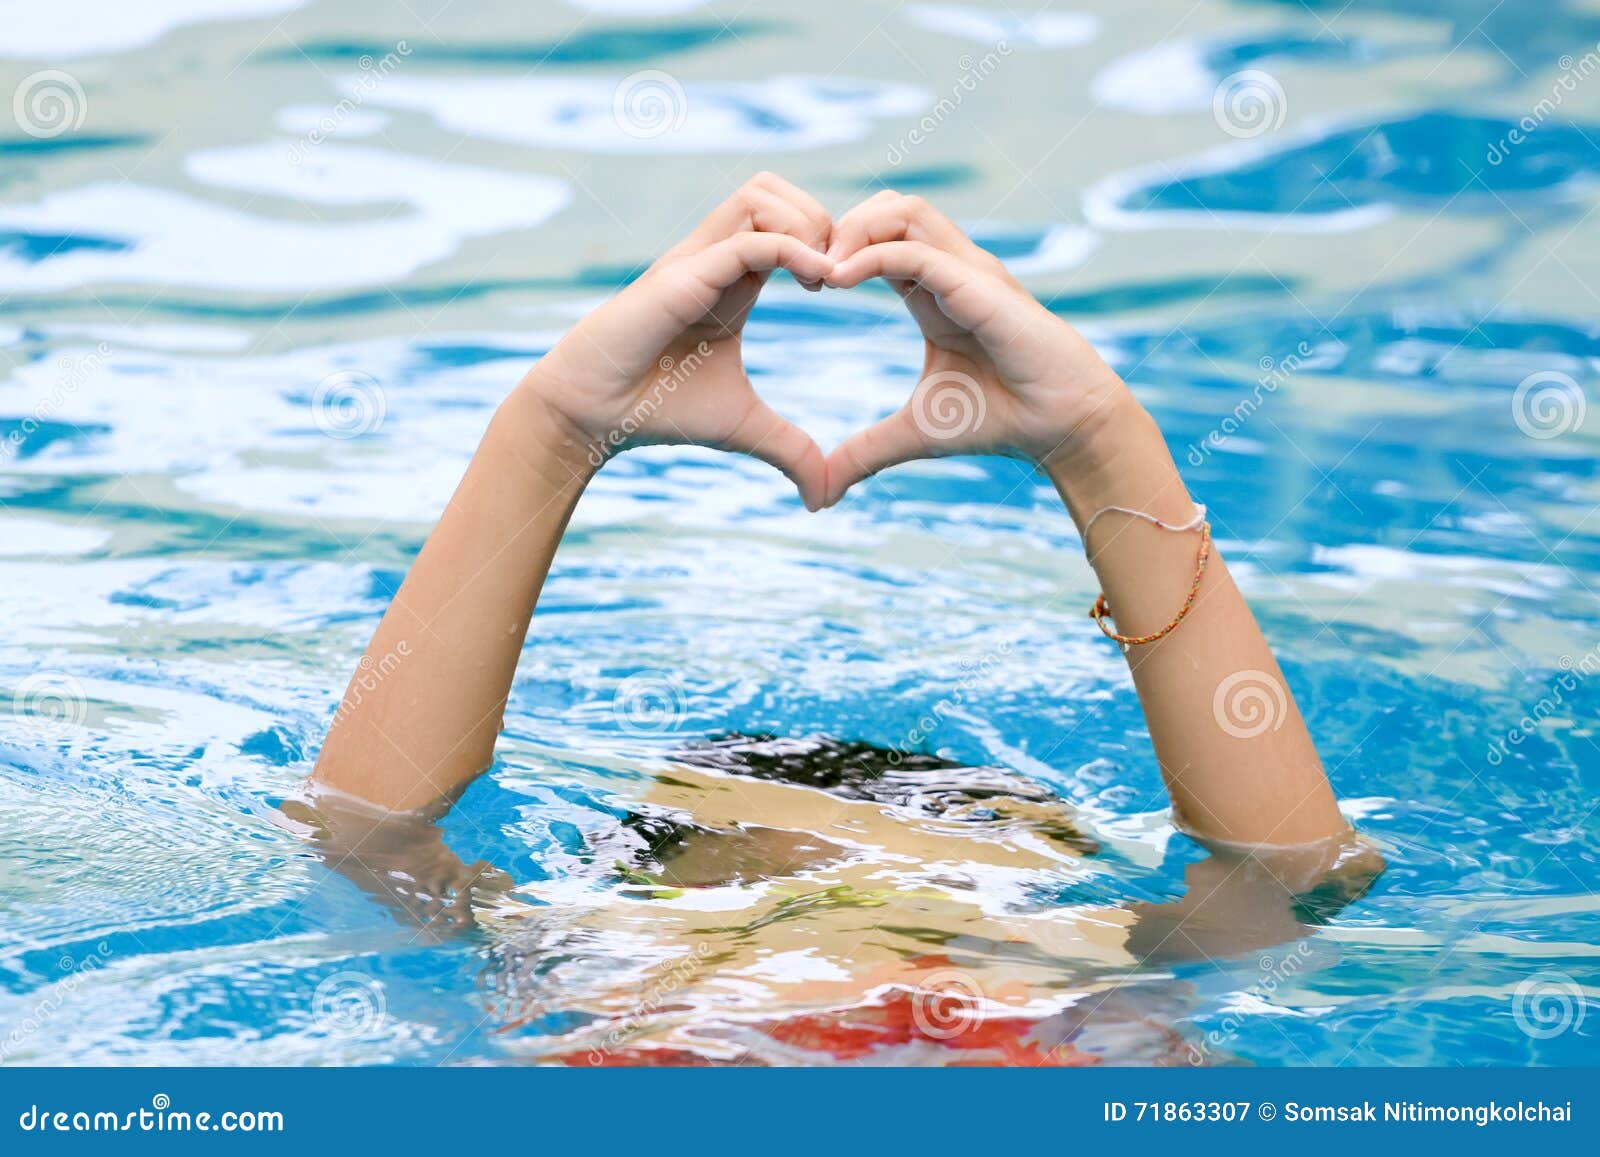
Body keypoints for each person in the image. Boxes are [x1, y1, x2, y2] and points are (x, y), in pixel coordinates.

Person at [289, 174, 1381, 1065]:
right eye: (788, 898)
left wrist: (552, 434)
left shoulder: (606, 971)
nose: (857, 941)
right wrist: (1098, 445)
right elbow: (1288, 876)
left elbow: (366, 836)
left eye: (925, 912)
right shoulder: (1080, 982)